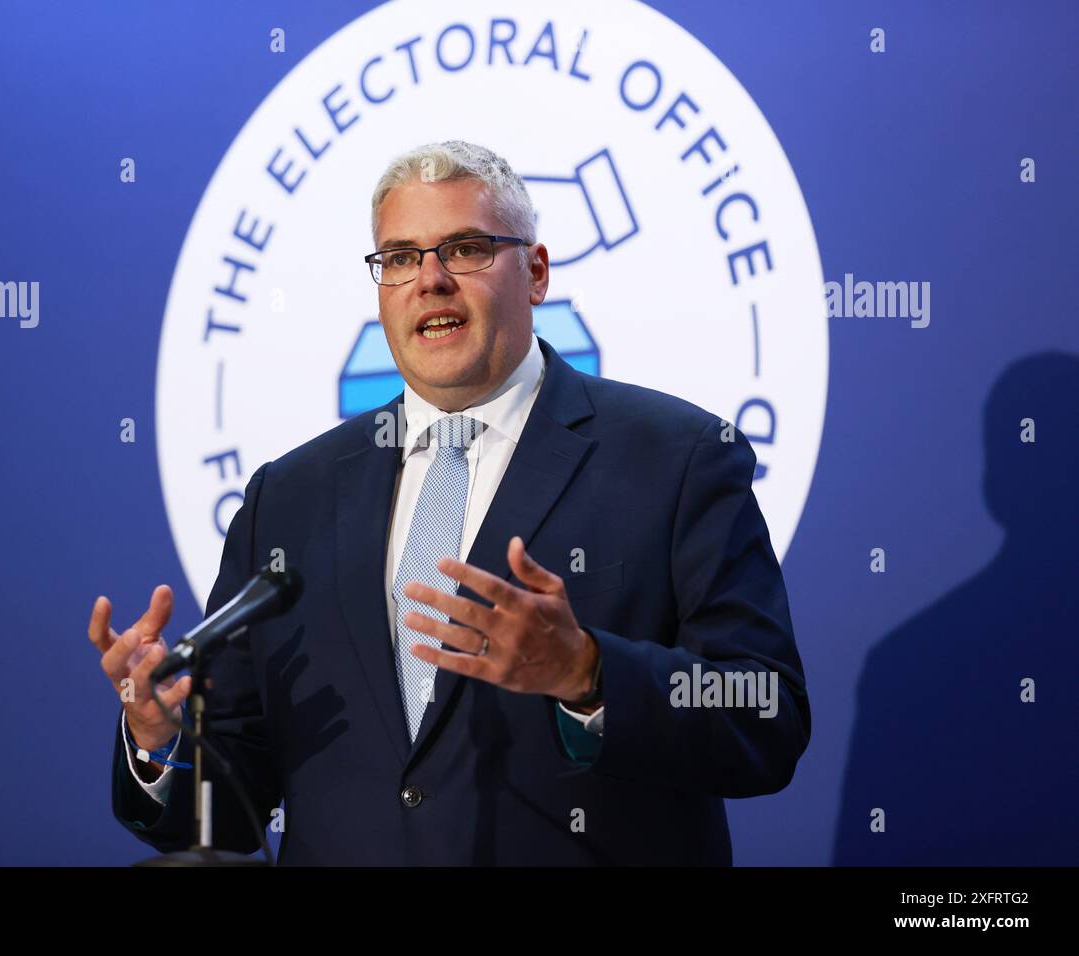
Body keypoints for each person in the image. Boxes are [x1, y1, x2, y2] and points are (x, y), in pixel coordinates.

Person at [89, 140, 810, 865]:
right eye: (400, 257)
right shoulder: (290, 498)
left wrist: (588, 673)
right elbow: (233, 803)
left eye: (464, 248)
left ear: (534, 272)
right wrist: (159, 741)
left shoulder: (675, 459)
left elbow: (763, 713)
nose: (429, 280)